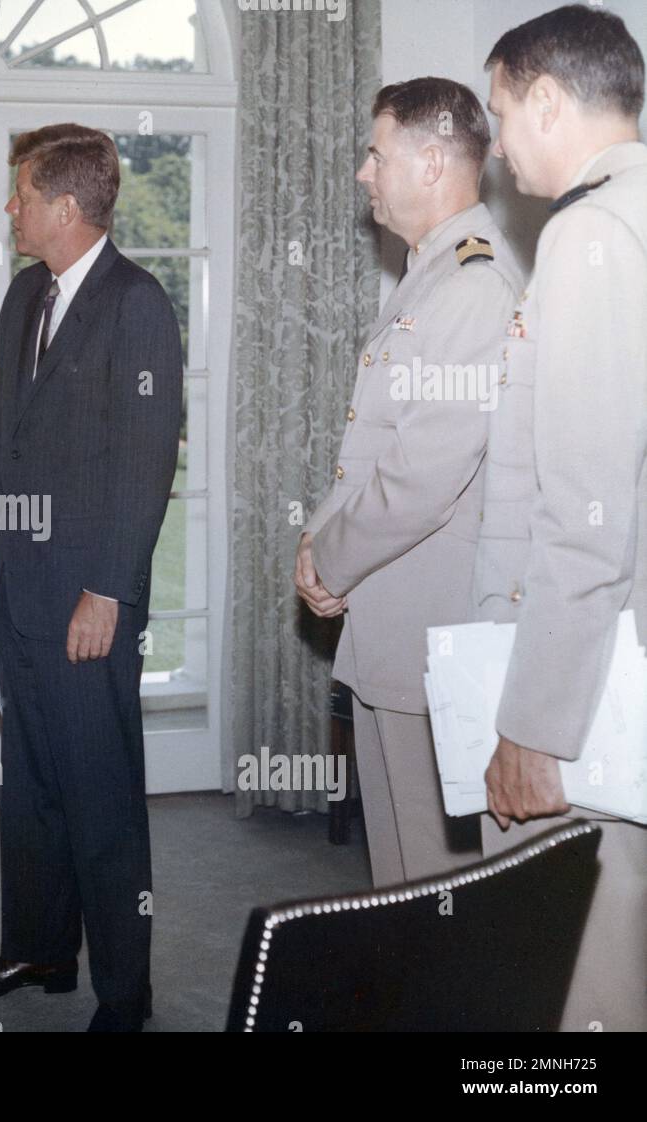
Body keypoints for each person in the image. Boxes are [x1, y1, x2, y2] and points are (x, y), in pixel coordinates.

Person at [0, 124, 182, 1032]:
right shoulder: (20, 300)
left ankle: (127, 995)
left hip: (90, 597)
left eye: (22, 196)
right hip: (20, 586)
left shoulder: (139, 304)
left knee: (101, 795)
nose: (12, 208)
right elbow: (5, 435)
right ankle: (39, 950)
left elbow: (145, 464)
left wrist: (110, 590)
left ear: (66, 209)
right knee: (32, 782)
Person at [295, 79, 522, 887]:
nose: (364, 173)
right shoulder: (429, 275)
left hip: (431, 623)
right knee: (398, 876)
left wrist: (331, 559)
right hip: (396, 621)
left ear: (430, 162)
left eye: (376, 153)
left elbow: (425, 474)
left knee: (432, 884)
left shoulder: (470, 286)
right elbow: (373, 446)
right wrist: (320, 535)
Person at [478, 4, 647, 1031]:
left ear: (546, 98)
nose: (495, 146)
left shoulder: (591, 232)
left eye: (499, 114)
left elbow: (585, 507)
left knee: (585, 966)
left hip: (598, 672)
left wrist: (533, 726)